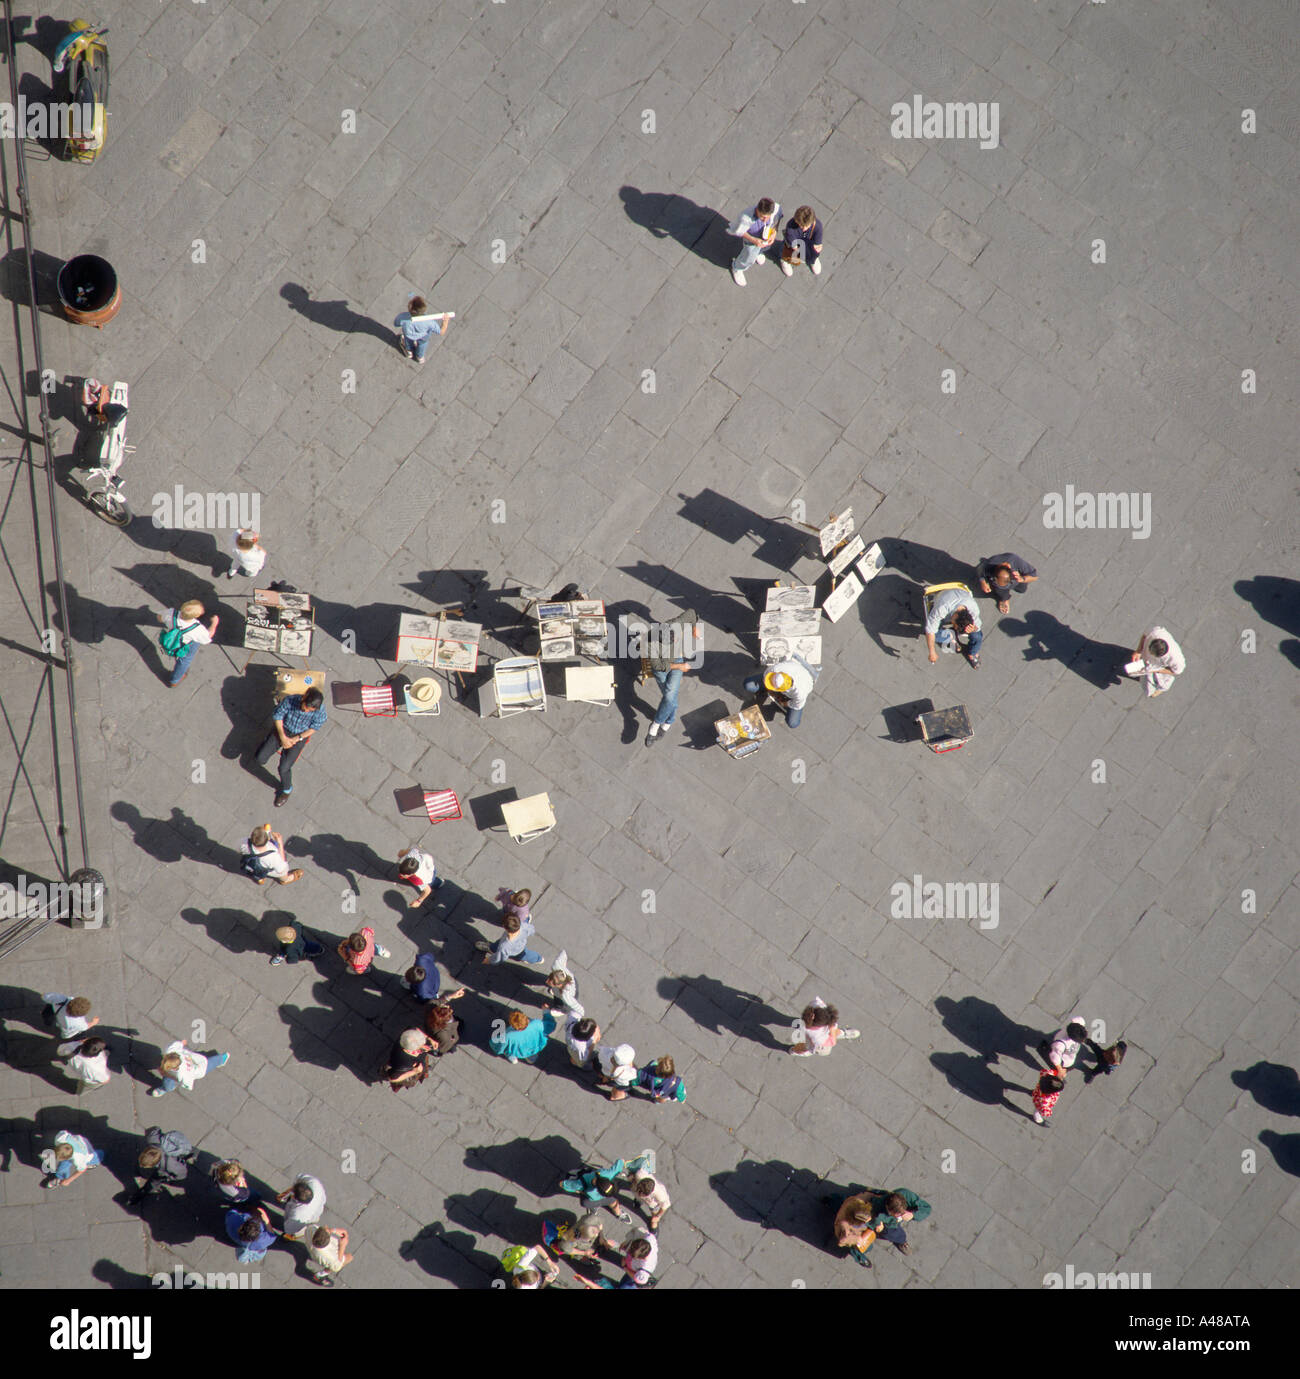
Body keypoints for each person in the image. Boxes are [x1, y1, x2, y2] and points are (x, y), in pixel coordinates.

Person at [255, 687, 327, 808]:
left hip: (299, 737)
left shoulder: (319, 711)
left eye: (310, 710)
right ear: (303, 698)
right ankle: (271, 742)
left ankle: (287, 790)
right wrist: (283, 737)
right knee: (260, 759)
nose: (307, 711)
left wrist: (297, 738)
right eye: (306, 708)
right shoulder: (290, 700)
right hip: (283, 730)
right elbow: (277, 716)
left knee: (284, 768)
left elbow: (315, 727)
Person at [642, 609, 700, 747]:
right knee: (670, 699)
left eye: (675, 639)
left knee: (669, 697)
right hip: (664, 669)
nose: (675, 642)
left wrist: (694, 628)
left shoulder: (675, 624)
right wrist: (679, 667)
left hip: (677, 661)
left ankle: (655, 725)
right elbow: (659, 665)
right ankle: (667, 722)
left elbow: (692, 613)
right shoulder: (650, 643)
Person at [744, 653, 818, 728]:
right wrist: (771, 692)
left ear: (781, 690)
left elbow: (796, 705)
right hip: (794, 671)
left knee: (793, 723)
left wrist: (784, 703)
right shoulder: (775, 670)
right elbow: (766, 678)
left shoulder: (800, 693)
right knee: (749, 685)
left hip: (804, 680)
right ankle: (764, 691)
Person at [161, 599, 218, 687]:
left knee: (182, 657)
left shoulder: (171, 613)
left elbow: (159, 618)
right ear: (195, 616)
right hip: (186, 644)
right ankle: (174, 680)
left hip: (173, 638)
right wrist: (214, 623)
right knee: (185, 660)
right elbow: (207, 638)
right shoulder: (197, 629)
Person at [131, 1127, 195, 1204]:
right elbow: (156, 1129)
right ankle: (194, 1152)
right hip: (181, 1143)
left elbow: (182, 1173)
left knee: (155, 1180)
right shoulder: (152, 1138)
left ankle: (143, 1193)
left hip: (180, 1154)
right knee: (191, 1152)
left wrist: (170, 1178)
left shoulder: (167, 1167)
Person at [728, 196, 781, 286]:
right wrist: (753, 240)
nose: (765, 220)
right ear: (757, 210)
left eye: (767, 217)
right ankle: (737, 268)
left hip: (765, 235)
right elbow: (739, 231)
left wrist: (774, 231)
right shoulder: (746, 217)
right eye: (762, 217)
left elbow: (778, 218)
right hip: (752, 239)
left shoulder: (776, 208)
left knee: (765, 247)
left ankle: (759, 252)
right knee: (748, 256)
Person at [151, 1037, 231, 1097]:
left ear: (174, 1069)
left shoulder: (182, 1075)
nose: (160, 1069)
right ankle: (222, 1058)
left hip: (198, 1069)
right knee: (209, 1062)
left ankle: (222, 1059)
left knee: (209, 1064)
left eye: (164, 1069)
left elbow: (187, 1084)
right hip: (195, 1058)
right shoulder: (171, 1051)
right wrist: (182, 1043)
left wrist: (168, 1076)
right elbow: (176, 1045)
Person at [864, 1188, 931, 1258]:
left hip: (900, 1216)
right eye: (897, 1215)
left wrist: (913, 1215)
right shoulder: (878, 1209)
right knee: (891, 1233)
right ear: (888, 1210)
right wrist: (877, 1225)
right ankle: (901, 1242)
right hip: (889, 1224)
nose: (901, 1216)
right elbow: (872, 1220)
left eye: (901, 1214)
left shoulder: (906, 1194)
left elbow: (926, 1208)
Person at [1123, 626, 1186, 698]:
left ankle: (1160, 690)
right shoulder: (1156, 632)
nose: (1149, 652)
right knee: (1135, 672)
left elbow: (1177, 671)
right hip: (1147, 663)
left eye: (1152, 654)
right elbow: (1144, 636)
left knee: (1155, 685)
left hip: (1157, 668)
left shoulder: (1176, 658)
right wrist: (1138, 651)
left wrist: (1158, 670)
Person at [789, 997, 860, 1057]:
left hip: (812, 1034)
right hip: (813, 1042)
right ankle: (795, 1051)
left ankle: (794, 1050)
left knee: (802, 1046)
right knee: (807, 1047)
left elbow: (817, 1001)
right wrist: (832, 1027)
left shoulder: (815, 1005)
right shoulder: (817, 1038)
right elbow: (832, 1042)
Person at [393, 294, 451, 363]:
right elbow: (441, 332)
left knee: (408, 342)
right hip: (423, 336)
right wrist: (446, 321)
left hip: (409, 335)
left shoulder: (403, 317)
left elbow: (396, 324)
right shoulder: (429, 321)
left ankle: (409, 352)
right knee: (422, 345)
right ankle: (420, 357)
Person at [476, 912, 544, 968]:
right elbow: (532, 929)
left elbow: (499, 958)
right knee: (527, 954)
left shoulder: (504, 946)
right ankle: (539, 959)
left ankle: (491, 949)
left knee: (521, 955)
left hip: (515, 952)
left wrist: (489, 960)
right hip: (521, 944)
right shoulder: (523, 926)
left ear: (505, 928)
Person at [489, 1009, 557, 1065]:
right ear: (526, 1019)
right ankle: (531, 1057)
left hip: (519, 1051)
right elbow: (551, 1025)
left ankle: (512, 1057)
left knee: (508, 1050)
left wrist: (493, 1043)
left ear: (513, 1025)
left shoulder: (508, 1036)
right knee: (531, 1052)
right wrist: (546, 1011)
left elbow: (499, 1046)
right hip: (536, 1045)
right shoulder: (537, 1023)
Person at [831, 1191, 878, 1266]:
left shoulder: (856, 1202)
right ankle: (860, 1258)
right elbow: (842, 1242)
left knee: (838, 1204)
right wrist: (857, 1239)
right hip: (850, 1234)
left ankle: (831, 1200)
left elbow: (868, 1195)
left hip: (844, 1208)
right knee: (857, 1248)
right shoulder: (845, 1227)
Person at [276, 1173, 326, 1241]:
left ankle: (292, 1236)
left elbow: (289, 1228)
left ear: (294, 1197)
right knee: (313, 1218)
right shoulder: (314, 1183)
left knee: (298, 1229)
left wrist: (289, 1231)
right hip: (318, 1208)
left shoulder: (298, 1215)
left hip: (307, 1218)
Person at [781, 204, 823, 276]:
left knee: (814, 251)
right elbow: (794, 247)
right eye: (800, 225)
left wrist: (814, 252)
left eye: (806, 226)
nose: (804, 228)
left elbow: (818, 245)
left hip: (808, 243)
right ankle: (785, 260)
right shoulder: (791, 227)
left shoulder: (818, 226)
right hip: (795, 244)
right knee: (789, 249)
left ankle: (812, 260)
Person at [396, 844, 444, 908]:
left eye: (404, 874)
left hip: (429, 876)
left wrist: (419, 901)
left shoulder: (419, 879)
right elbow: (410, 850)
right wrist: (402, 853)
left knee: (432, 882)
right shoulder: (412, 855)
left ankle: (438, 882)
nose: (401, 874)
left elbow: (427, 890)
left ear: (412, 874)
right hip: (427, 864)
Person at [545, 951, 584, 1018]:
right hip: (571, 980)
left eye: (553, 983)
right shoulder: (556, 965)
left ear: (560, 985)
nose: (547, 981)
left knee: (563, 1005)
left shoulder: (566, 995)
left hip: (571, 992)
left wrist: (580, 1018)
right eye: (550, 977)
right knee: (555, 992)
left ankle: (561, 1011)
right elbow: (564, 953)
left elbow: (578, 1007)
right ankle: (554, 992)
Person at [631, 1167, 671, 1231]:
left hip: (653, 1203)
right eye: (639, 1191)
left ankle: (654, 1230)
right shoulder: (639, 1174)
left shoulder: (660, 1194)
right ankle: (638, 1201)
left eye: (642, 1194)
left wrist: (657, 1216)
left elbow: (666, 1205)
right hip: (640, 1195)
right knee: (637, 1197)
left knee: (654, 1219)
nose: (639, 1194)